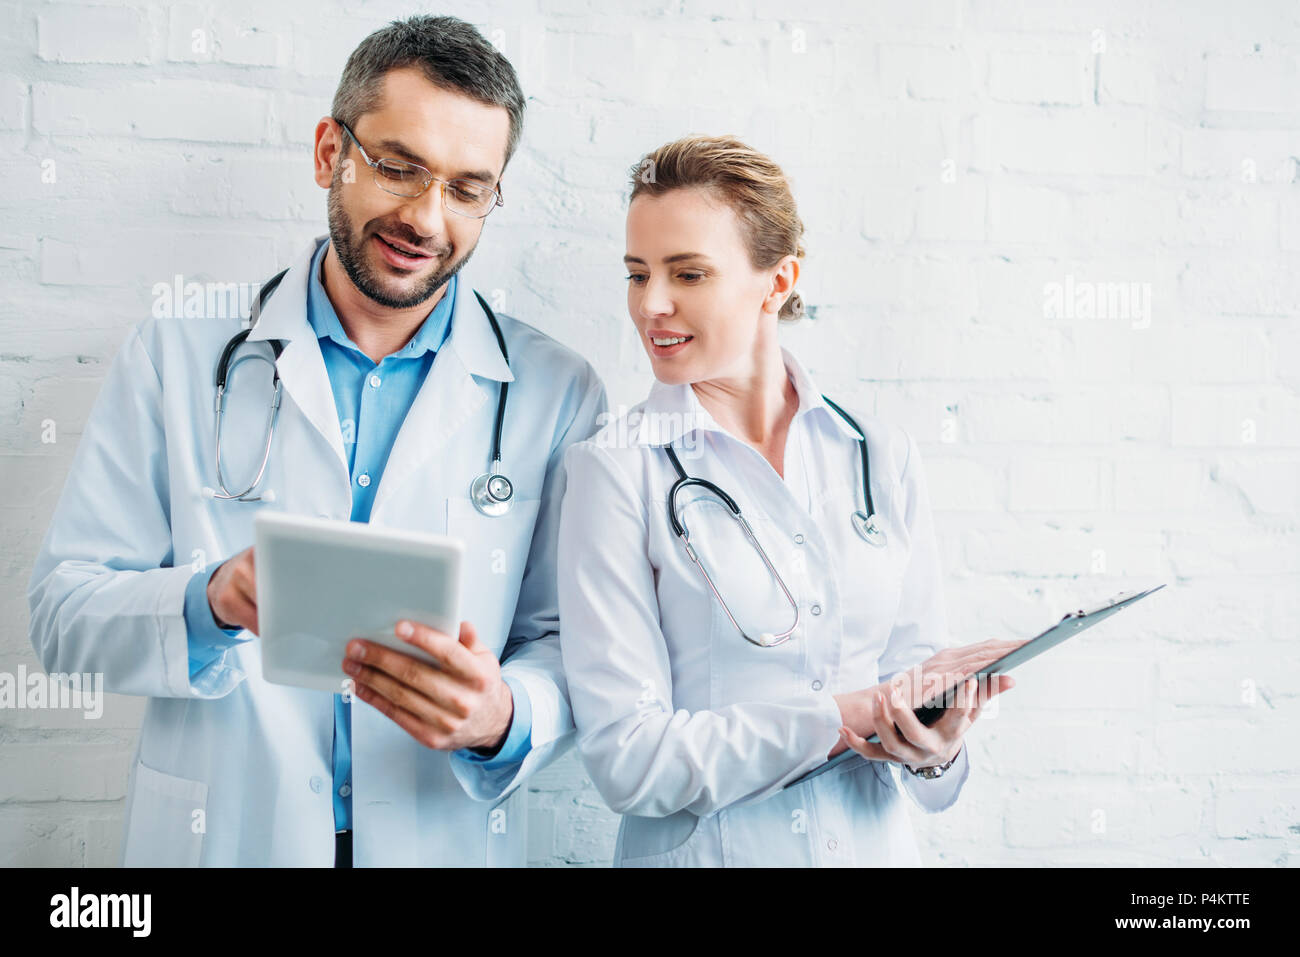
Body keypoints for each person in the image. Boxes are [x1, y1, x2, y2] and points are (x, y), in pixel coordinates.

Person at [27, 15, 606, 867]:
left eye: (467, 187)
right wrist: (211, 601)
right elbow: (62, 613)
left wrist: (506, 714)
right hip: (229, 832)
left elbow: (572, 641)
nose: (426, 216)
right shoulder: (178, 352)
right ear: (329, 151)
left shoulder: (555, 392)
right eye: (398, 167)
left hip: (435, 829)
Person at [556, 135, 1020, 866]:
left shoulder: (877, 454)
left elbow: (919, 713)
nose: (652, 304)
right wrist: (844, 716)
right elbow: (629, 758)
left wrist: (934, 740)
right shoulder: (613, 470)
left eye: (689, 272)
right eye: (637, 273)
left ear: (777, 282)